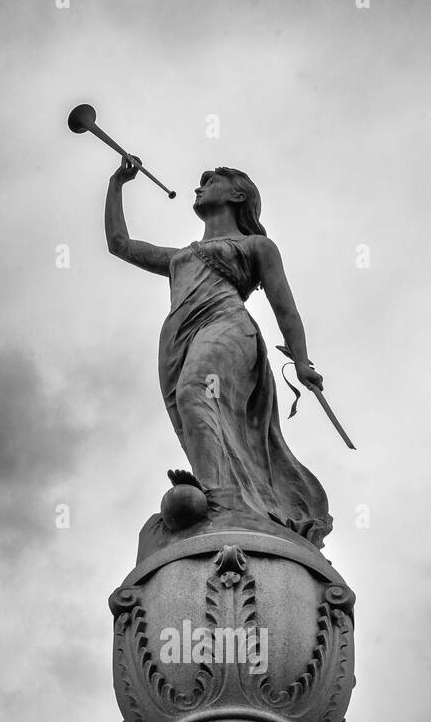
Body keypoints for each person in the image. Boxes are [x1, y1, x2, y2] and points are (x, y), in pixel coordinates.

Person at [104, 159, 334, 548]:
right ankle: (223, 489)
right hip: (178, 337)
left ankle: (219, 501)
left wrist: (301, 360)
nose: (200, 186)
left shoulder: (256, 245)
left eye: (210, 181)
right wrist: (117, 184)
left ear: (238, 194)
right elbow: (120, 246)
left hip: (227, 324)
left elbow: (285, 307)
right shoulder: (182, 255)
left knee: (197, 392)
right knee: (189, 406)